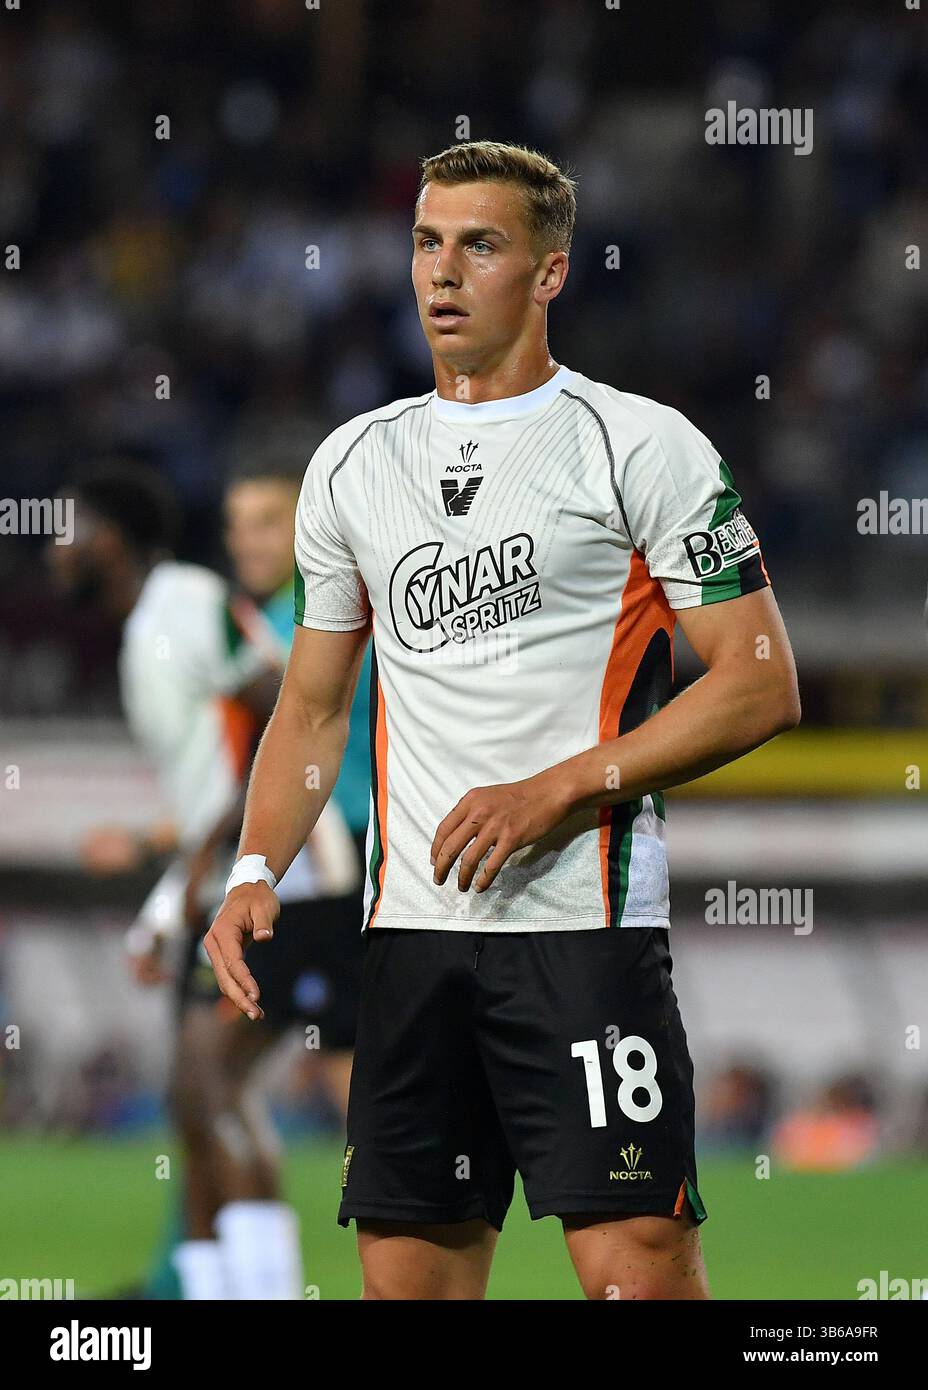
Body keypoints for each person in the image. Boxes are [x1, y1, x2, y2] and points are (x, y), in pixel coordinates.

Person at [205, 140, 801, 1301]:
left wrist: (559, 786)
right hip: (411, 941)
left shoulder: (640, 443)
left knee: (637, 1270)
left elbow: (758, 682)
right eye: (427, 242)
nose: (442, 270)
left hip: (584, 933)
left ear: (548, 273)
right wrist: (252, 865)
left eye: (479, 244)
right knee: (406, 1284)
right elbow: (314, 705)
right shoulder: (351, 463)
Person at [48, 459, 368, 1299]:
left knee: (211, 1082)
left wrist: (194, 873)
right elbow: (214, 776)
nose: (51, 550)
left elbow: (276, 708)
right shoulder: (150, 624)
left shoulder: (184, 605)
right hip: (238, 886)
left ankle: (260, 1291)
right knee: (197, 1094)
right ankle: (214, 1287)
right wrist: (173, 889)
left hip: (295, 878)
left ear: (109, 540)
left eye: (67, 530)